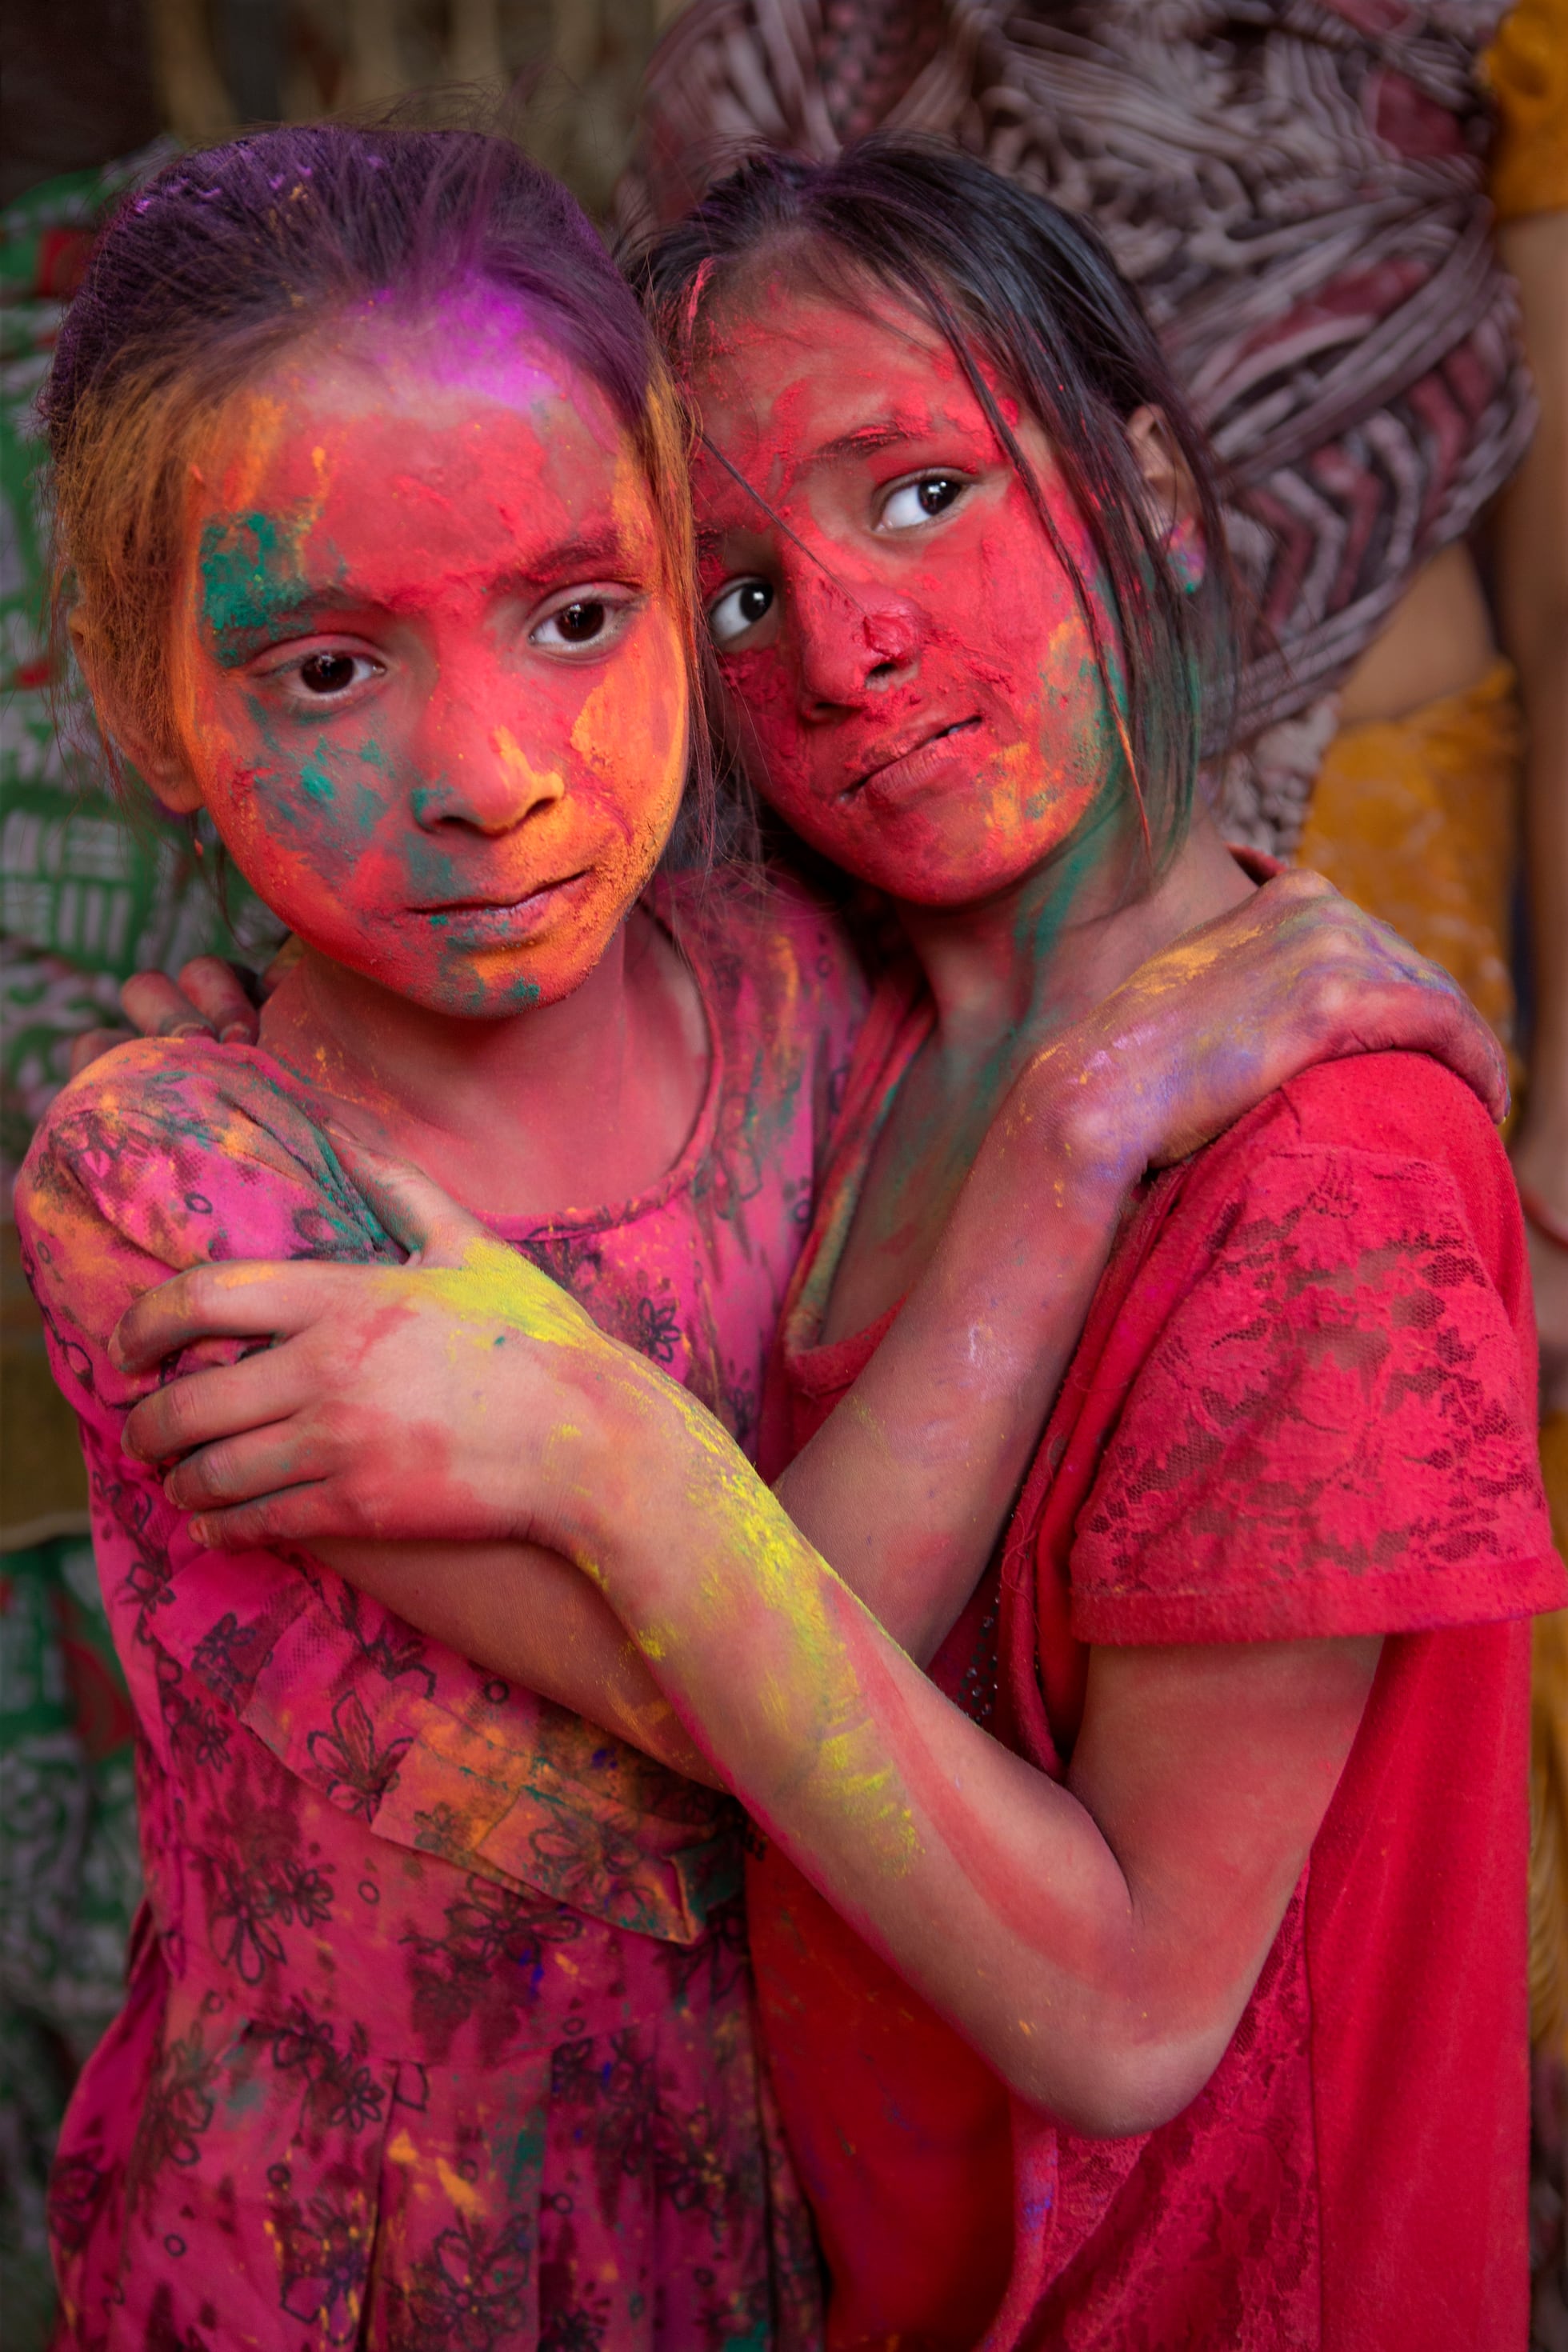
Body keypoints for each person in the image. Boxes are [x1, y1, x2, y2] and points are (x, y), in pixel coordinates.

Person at [16, 121, 1503, 2349]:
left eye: (582, 615)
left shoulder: (939, 1038)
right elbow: (716, 1701)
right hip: (390, 2265)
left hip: (947, 2274)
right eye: (329, 671)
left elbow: (1099, 1987)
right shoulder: (255, 1164)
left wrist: (608, 1427)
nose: (495, 774)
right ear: (150, 703)